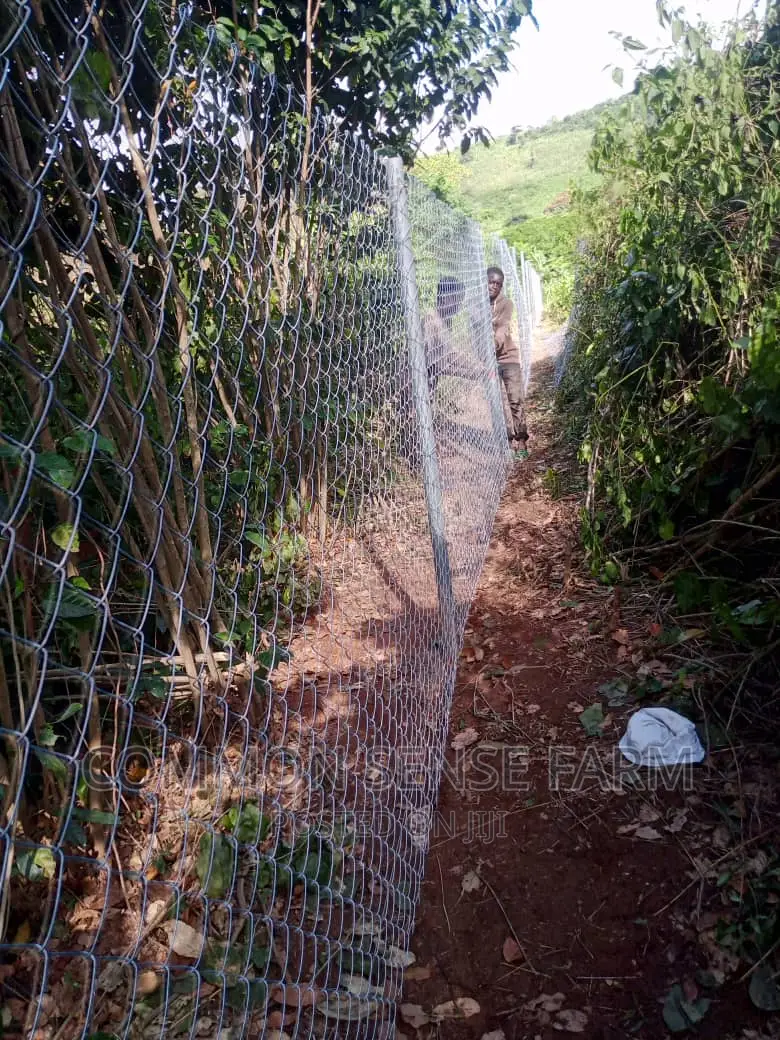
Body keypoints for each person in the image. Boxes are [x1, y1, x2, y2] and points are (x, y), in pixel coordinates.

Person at [488, 266, 529, 461]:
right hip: (489, 362)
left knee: (515, 399)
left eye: (498, 284)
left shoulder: (506, 304)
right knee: (496, 403)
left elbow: (502, 330)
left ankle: (521, 441)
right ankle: (506, 442)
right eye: (491, 282)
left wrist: (492, 346)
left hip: (508, 358)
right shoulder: (478, 306)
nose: (494, 286)